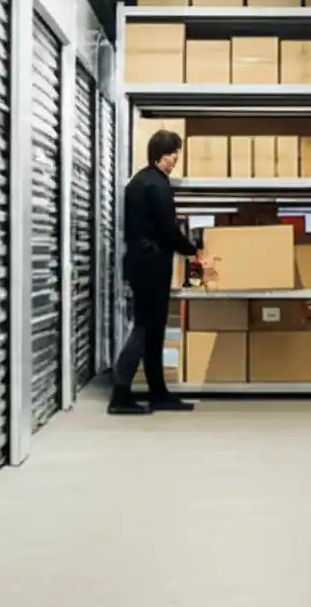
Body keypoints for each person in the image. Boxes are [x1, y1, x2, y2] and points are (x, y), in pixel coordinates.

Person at [109, 129, 199, 415]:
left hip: (142, 263)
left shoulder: (140, 181)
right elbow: (167, 230)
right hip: (151, 266)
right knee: (145, 327)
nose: (175, 159)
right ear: (162, 155)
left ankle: (158, 393)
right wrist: (193, 250)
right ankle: (120, 396)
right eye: (173, 153)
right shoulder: (157, 184)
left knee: (153, 330)